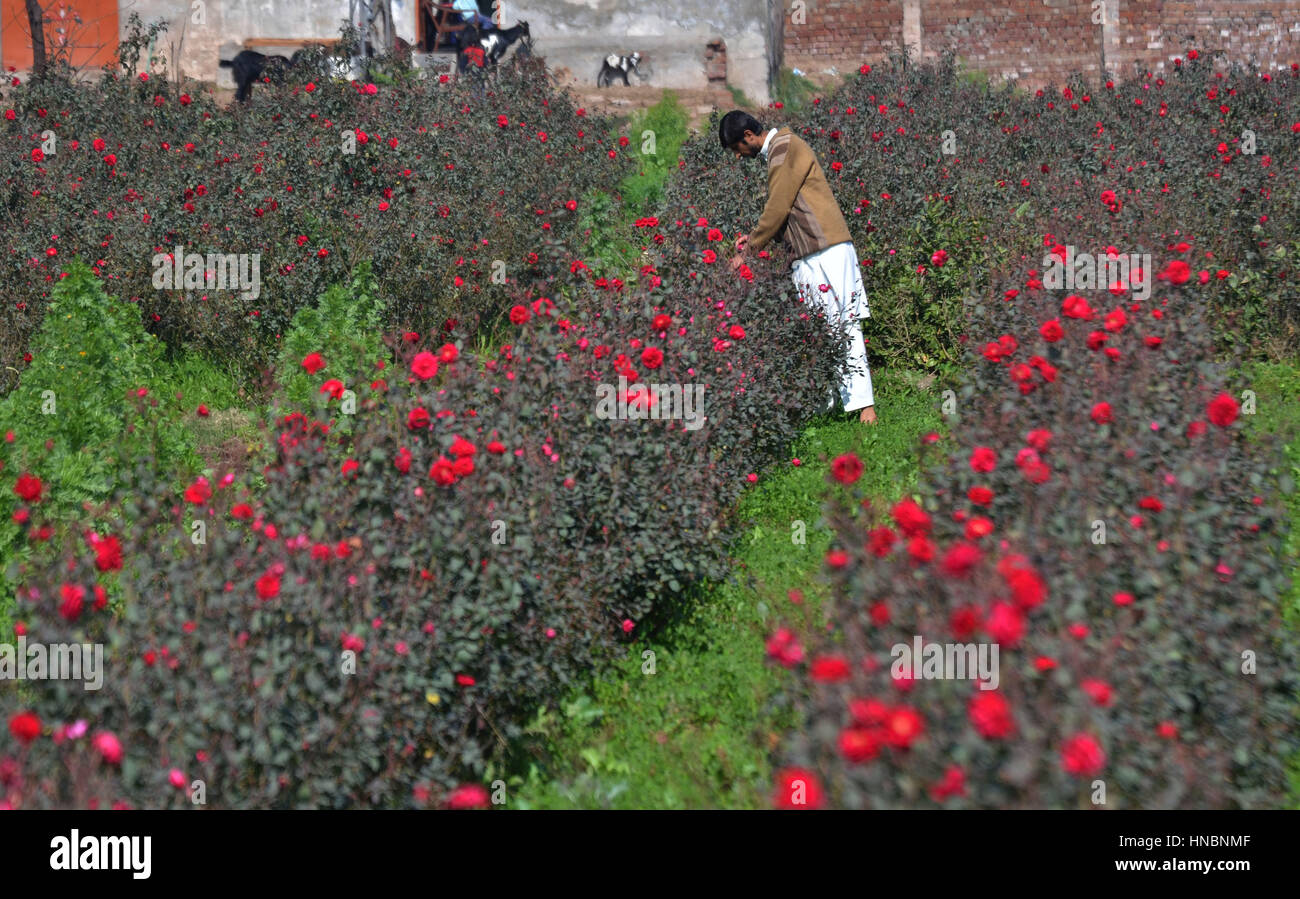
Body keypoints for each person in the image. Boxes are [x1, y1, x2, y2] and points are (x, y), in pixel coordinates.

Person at [720, 110, 877, 425]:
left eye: (737, 148)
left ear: (749, 136)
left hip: (826, 249)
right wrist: (751, 238)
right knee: (821, 330)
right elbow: (787, 207)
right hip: (813, 251)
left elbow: (778, 207)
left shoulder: (784, 147)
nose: (738, 157)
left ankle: (866, 411)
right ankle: (830, 405)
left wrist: (749, 250)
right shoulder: (780, 149)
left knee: (844, 324)